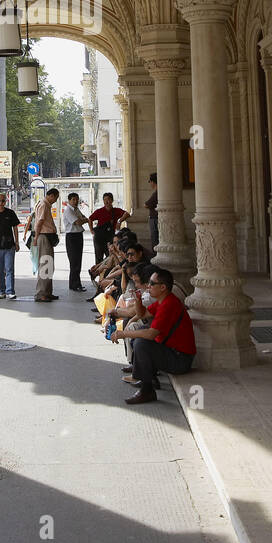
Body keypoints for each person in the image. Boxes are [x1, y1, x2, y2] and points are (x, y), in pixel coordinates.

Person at [113, 267, 196, 404]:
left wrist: (123, 333)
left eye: (152, 283)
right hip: (173, 353)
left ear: (163, 287)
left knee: (142, 343)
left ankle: (147, 391)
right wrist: (138, 300)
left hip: (180, 360)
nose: (148, 286)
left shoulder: (169, 304)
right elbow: (142, 314)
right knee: (141, 333)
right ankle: (149, 378)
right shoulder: (163, 301)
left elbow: (151, 334)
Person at [33, 188, 60, 302]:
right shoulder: (44, 204)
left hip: (47, 237)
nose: (56, 200)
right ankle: (41, 293)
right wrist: (36, 237)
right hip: (43, 237)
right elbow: (40, 221)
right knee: (45, 264)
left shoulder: (46, 205)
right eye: (56, 198)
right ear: (51, 196)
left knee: (49, 265)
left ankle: (48, 292)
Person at [88, 192, 129, 264]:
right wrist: (91, 230)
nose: (107, 201)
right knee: (98, 258)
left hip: (110, 237)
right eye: (105, 199)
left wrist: (119, 221)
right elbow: (90, 219)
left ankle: (108, 273)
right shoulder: (99, 211)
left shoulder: (116, 210)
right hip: (99, 237)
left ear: (112, 200)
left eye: (108, 199)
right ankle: (98, 274)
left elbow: (127, 214)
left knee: (110, 257)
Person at [61, 192, 87, 292]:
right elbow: (79, 222)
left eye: (77, 199)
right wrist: (82, 220)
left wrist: (82, 220)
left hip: (78, 235)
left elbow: (84, 218)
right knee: (74, 261)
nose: (75, 201)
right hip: (72, 237)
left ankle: (76, 283)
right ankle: (74, 284)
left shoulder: (76, 209)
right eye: (73, 200)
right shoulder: (68, 211)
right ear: (69, 200)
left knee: (78, 261)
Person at [145, 173, 158, 251]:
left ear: (153, 182)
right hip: (155, 219)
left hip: (154, 219)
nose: (149, 183)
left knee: (155, 240)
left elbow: (146, 204)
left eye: (150, 181)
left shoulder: (157, 193)